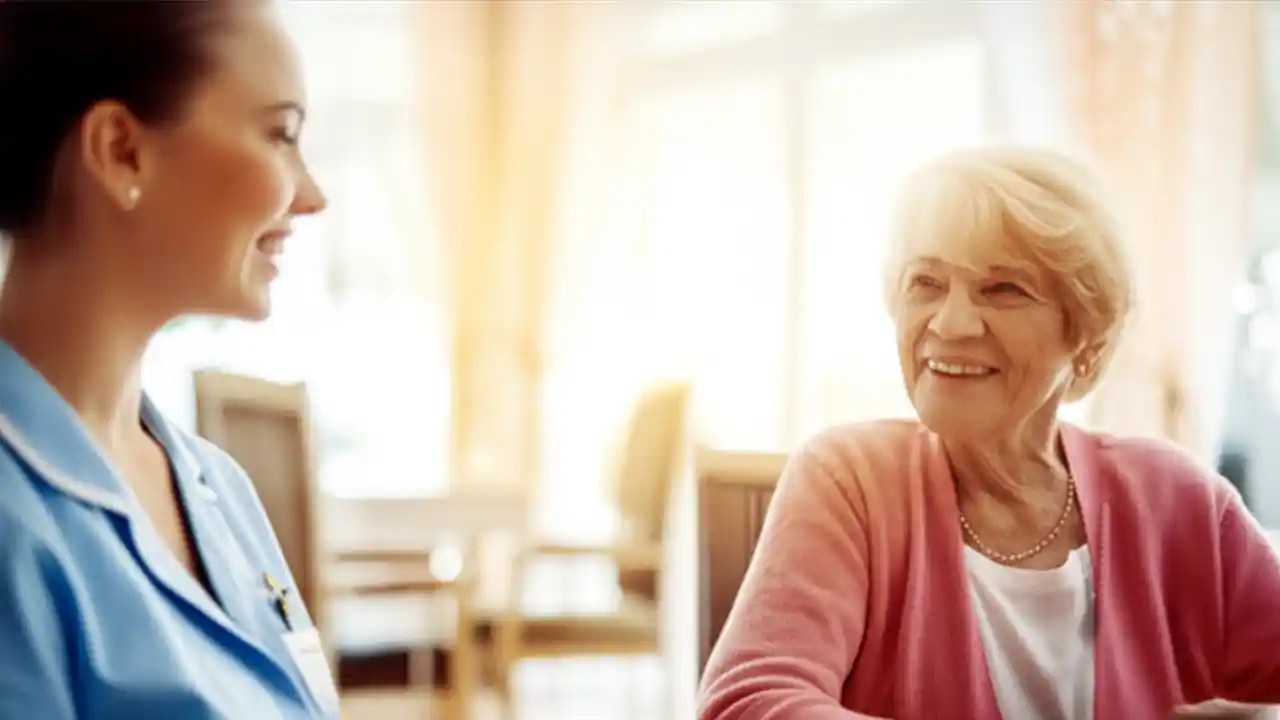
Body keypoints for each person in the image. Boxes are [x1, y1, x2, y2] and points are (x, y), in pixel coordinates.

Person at [698, 147, 1280, 719]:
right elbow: (750, 702)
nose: (949, 323)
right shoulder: (848, 478)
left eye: (1003, 289)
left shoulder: (1177, 499)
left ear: (1085, 334)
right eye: (925, 282)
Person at [0, 1, 333, 718]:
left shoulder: (221, 490)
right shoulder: (13, 523)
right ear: (122, 150)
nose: (312, 195)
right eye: (280, 135)